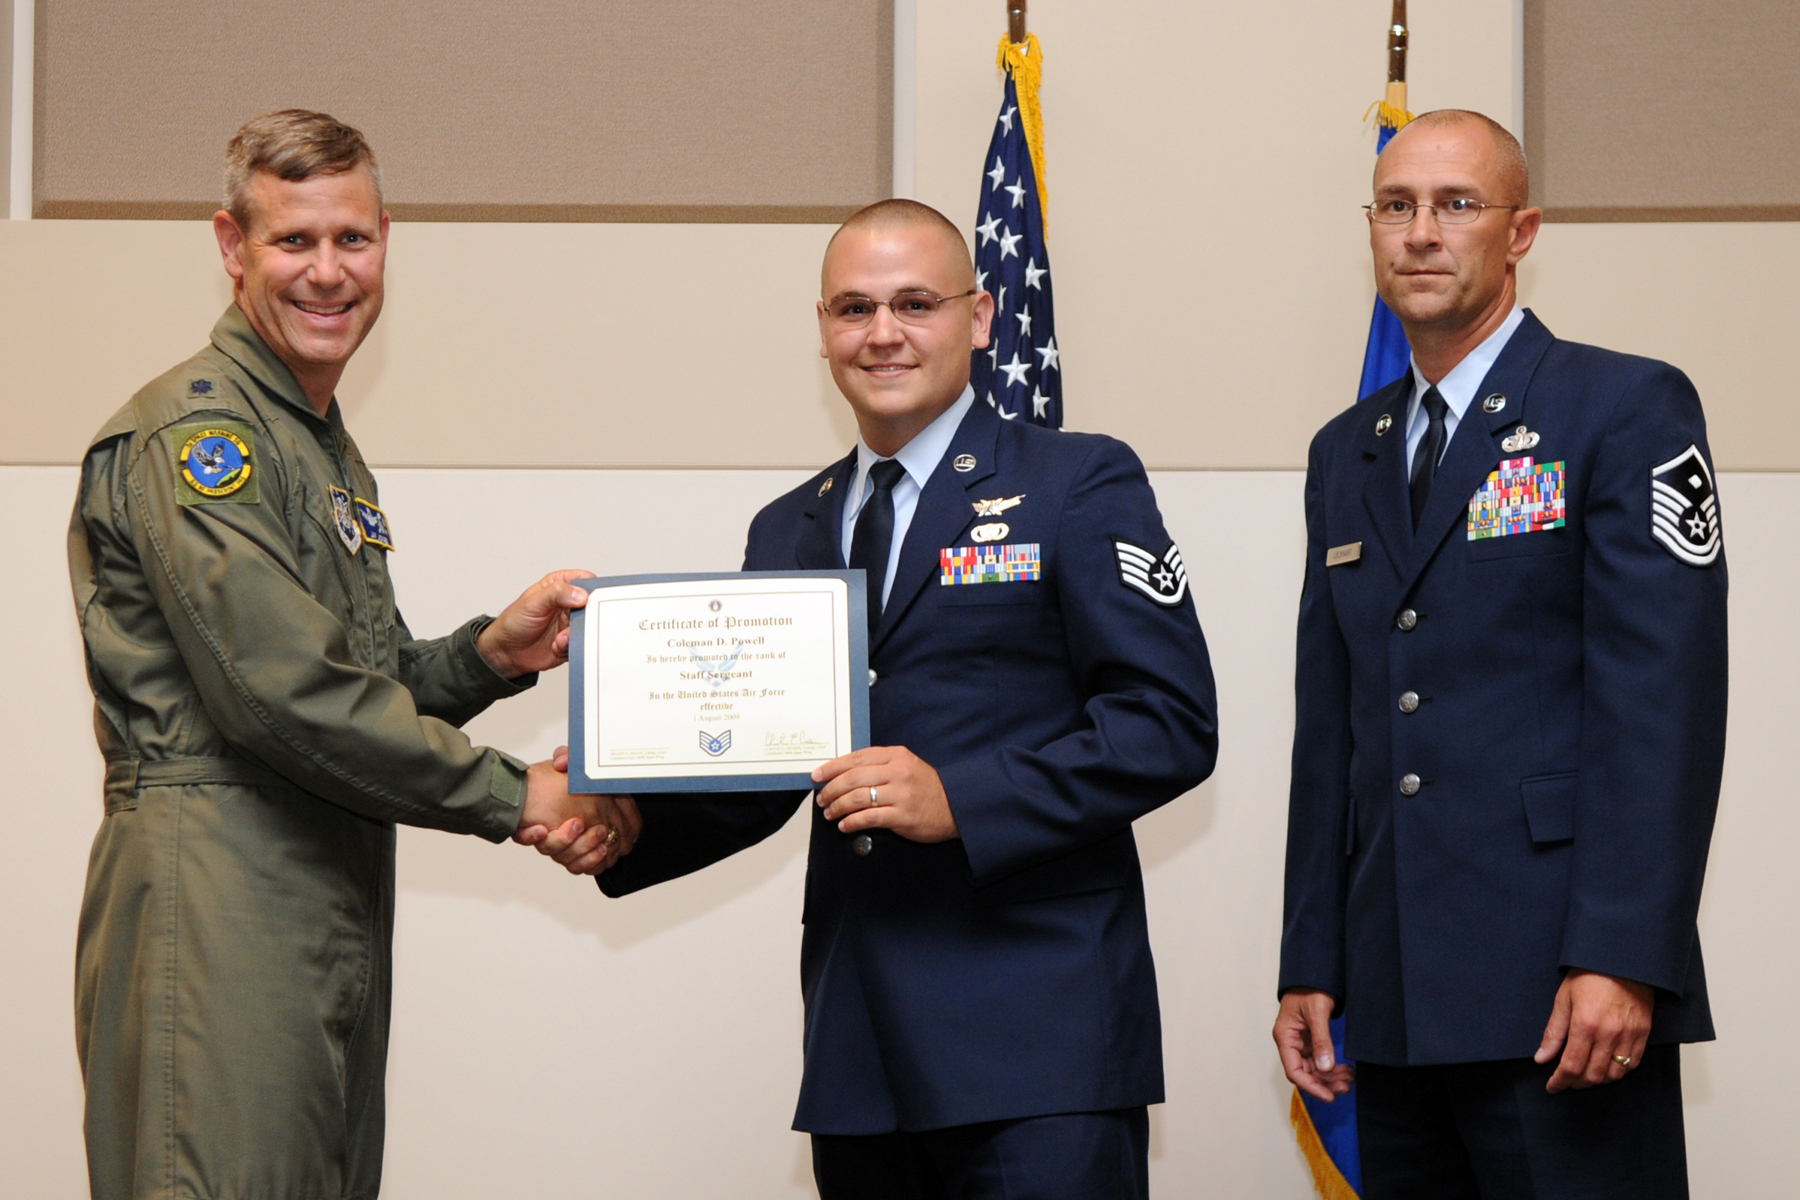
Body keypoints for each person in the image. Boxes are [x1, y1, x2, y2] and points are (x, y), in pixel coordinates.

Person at [539, 199, 1218, 1197]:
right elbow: (769, 768)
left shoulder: (1076, 481)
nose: (884, 333)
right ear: (822, 330)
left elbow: (1169, 723)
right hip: (860, 1050)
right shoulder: (789, 527)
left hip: (1041, 1038)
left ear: (980, 318)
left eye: (915, 303)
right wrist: (624, 815)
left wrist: (964, 797)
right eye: (855, 308)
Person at [67, 110, 637, 1200]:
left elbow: (351, 684)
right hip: (222, 889)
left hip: (317, 882)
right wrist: (521, 794)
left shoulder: (315, 442)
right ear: (233, 248)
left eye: (353, 241)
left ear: (387, 242)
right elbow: (280, 697)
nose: (328, 274)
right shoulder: (204, 441)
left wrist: (491, 656)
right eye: (293, 242)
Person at [1273, 109, 1727, 1198]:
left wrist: (1621, 954)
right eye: (1397, 206)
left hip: (1562, 992)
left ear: (1520, 231)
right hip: (1388, 997)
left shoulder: (1622, 407)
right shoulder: (1347, 451)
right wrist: (1311, 963)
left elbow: (1659, 706)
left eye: (1456, 205)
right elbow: (1330, 731)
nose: (1421, 233)